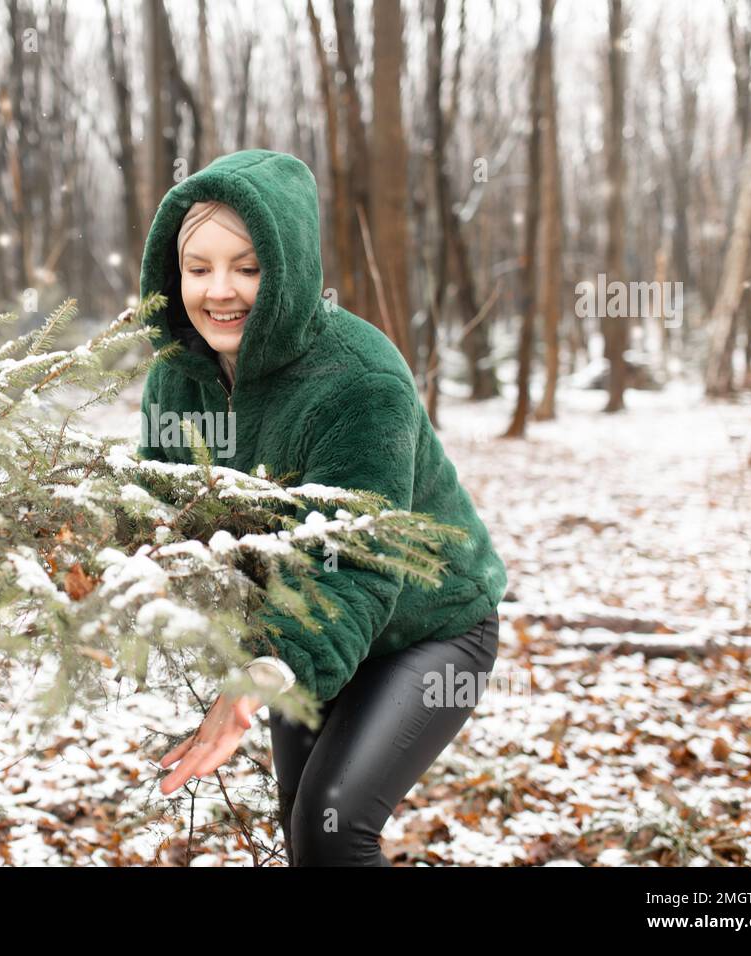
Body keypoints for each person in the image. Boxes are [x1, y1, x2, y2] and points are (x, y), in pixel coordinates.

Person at [134, 148, 507, 866]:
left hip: (425, 628)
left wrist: (262, 669)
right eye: (199, 266)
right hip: (298, 622)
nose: (220, 291)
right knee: (304, 827)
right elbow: (160, 511)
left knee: (330, 821)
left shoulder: (360, 382)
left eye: (248, 266)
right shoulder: (175, 380)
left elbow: (358, 567)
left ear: (291, 266)